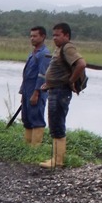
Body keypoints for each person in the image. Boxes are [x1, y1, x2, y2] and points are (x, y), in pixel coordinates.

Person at [39, 22, 87, 168]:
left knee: (57, 123)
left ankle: (58, 161)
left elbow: (81, 64)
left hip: (61, 92)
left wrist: (71, 81)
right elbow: (59, 72)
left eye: (58, 35)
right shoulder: (59, 49)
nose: (54, 38)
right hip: (55, 89)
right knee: (54, 123)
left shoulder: (68, 47)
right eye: (53, 35)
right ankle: (55, 158)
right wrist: (49, 84)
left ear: (66, 35)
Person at [19, 26, 51, 147]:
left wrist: (36, 93)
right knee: (27, 118)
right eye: (31, 36)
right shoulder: (32, 53)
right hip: (27, 90)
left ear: (43, 37)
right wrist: (23, 92)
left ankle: (35, 148)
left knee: (36, 118)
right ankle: (27, 146)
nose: (32, 38)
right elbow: (27, 74)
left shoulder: (44, 54)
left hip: (37, 91)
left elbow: (42, 75)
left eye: (35, 36)